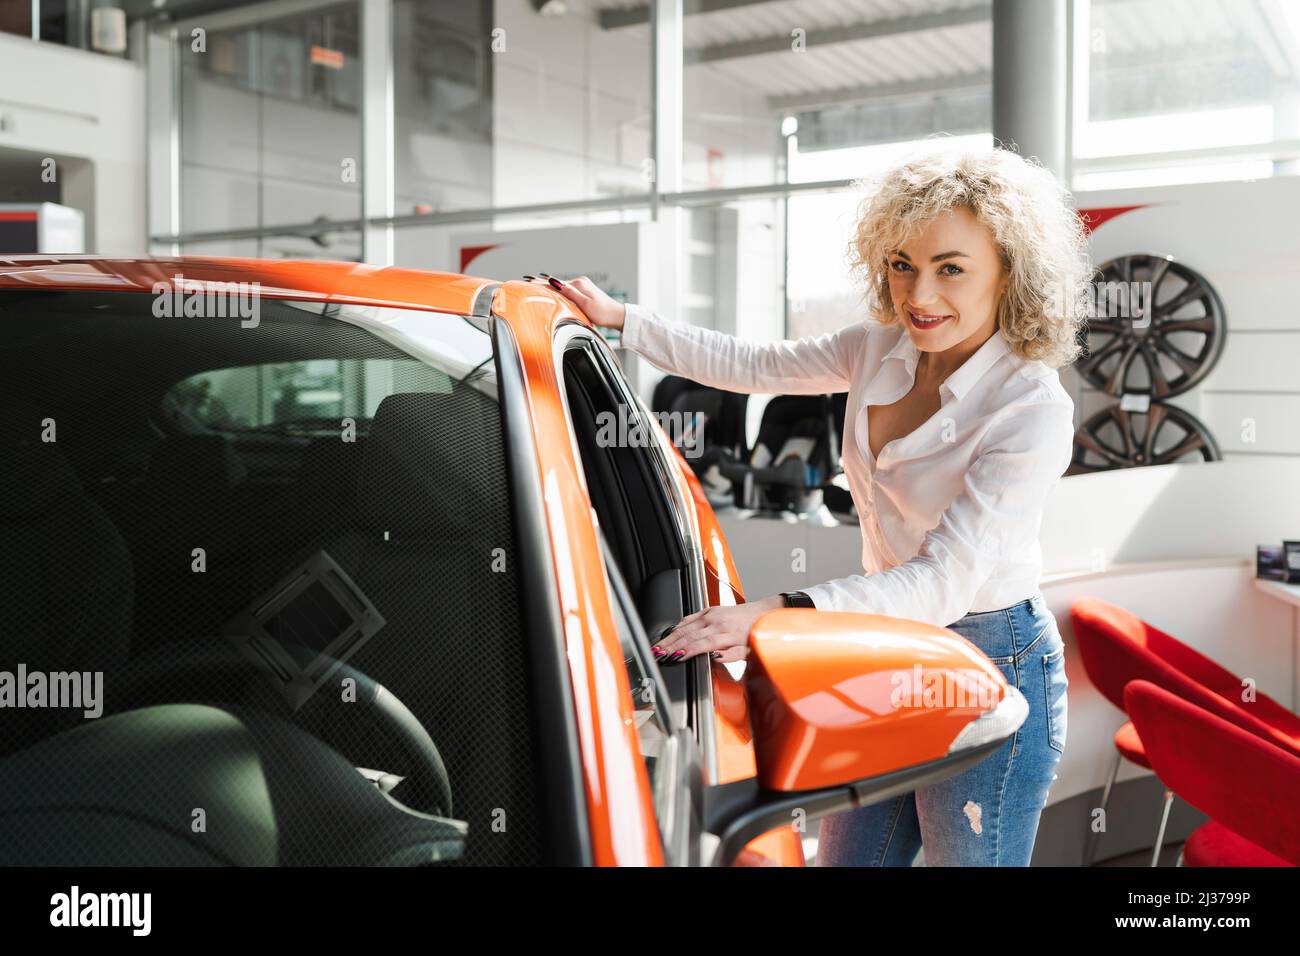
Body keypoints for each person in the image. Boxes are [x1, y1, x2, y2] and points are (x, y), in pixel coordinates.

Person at [549, 146, 1089, 866]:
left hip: (991, 653)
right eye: (902, 264)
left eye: (950, 268)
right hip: (884, 643)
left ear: (1010, 274)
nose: (918, 295)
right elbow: (753, 365)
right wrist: (620, 320)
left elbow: (941, 581)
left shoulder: (1031, 407)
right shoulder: (878, 347)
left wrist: (774, 616)